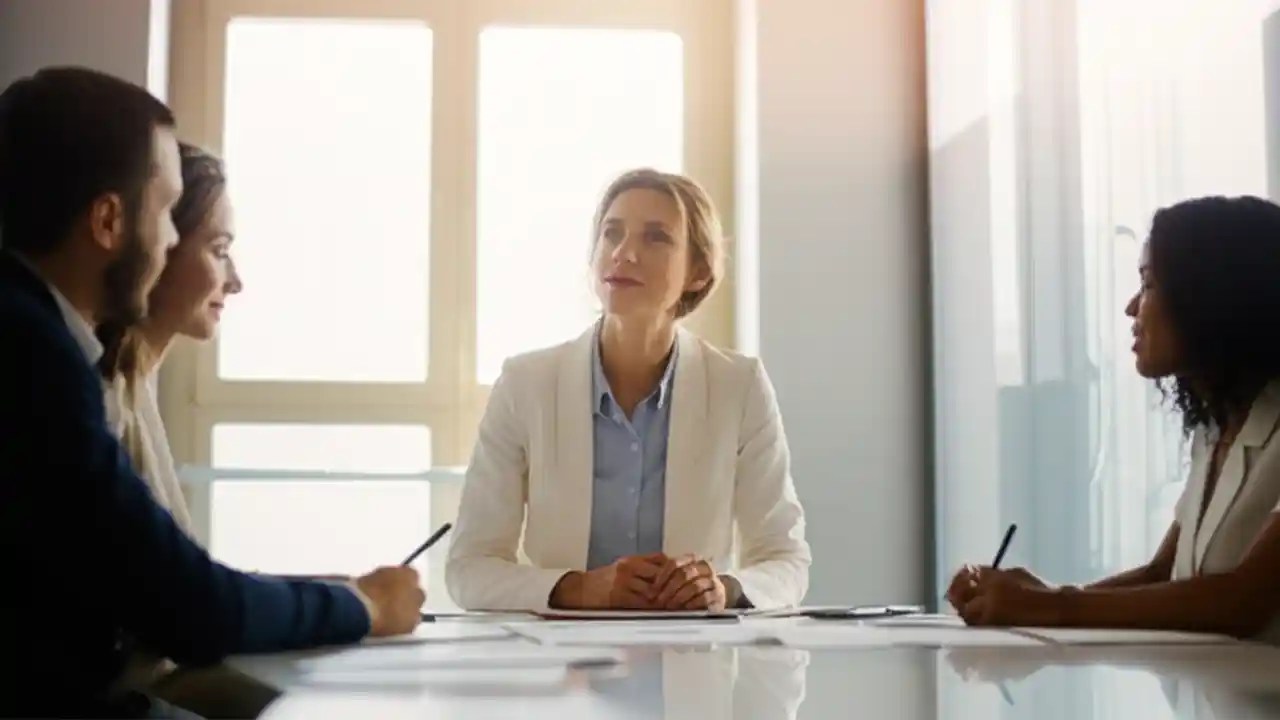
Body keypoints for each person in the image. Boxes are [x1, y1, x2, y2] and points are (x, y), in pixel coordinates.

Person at [0, 67, 423, 718]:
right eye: (167, 212)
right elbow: (187, 606)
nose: (169, 241)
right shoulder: (34, 356)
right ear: (109, 220)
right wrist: (363, 606)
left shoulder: (39, 336)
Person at [446, 168, 810, 612]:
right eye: (611, 234)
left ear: (698, 271)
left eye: (655, 237)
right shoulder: (526, 383)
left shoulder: (740, 386)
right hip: (561, 668)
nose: (624, 253)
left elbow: (785, 560)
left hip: (692, 661)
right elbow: (469, 568)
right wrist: (578, 589)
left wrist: (724, 589)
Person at [946, 196, 1280, 641]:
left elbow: (1243, 601)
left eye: (1147, 284)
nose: (1131, 308)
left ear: (1208, 295)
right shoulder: (1216, 430)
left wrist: (1050, 606)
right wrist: (1035, 599)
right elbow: (1164, 573)